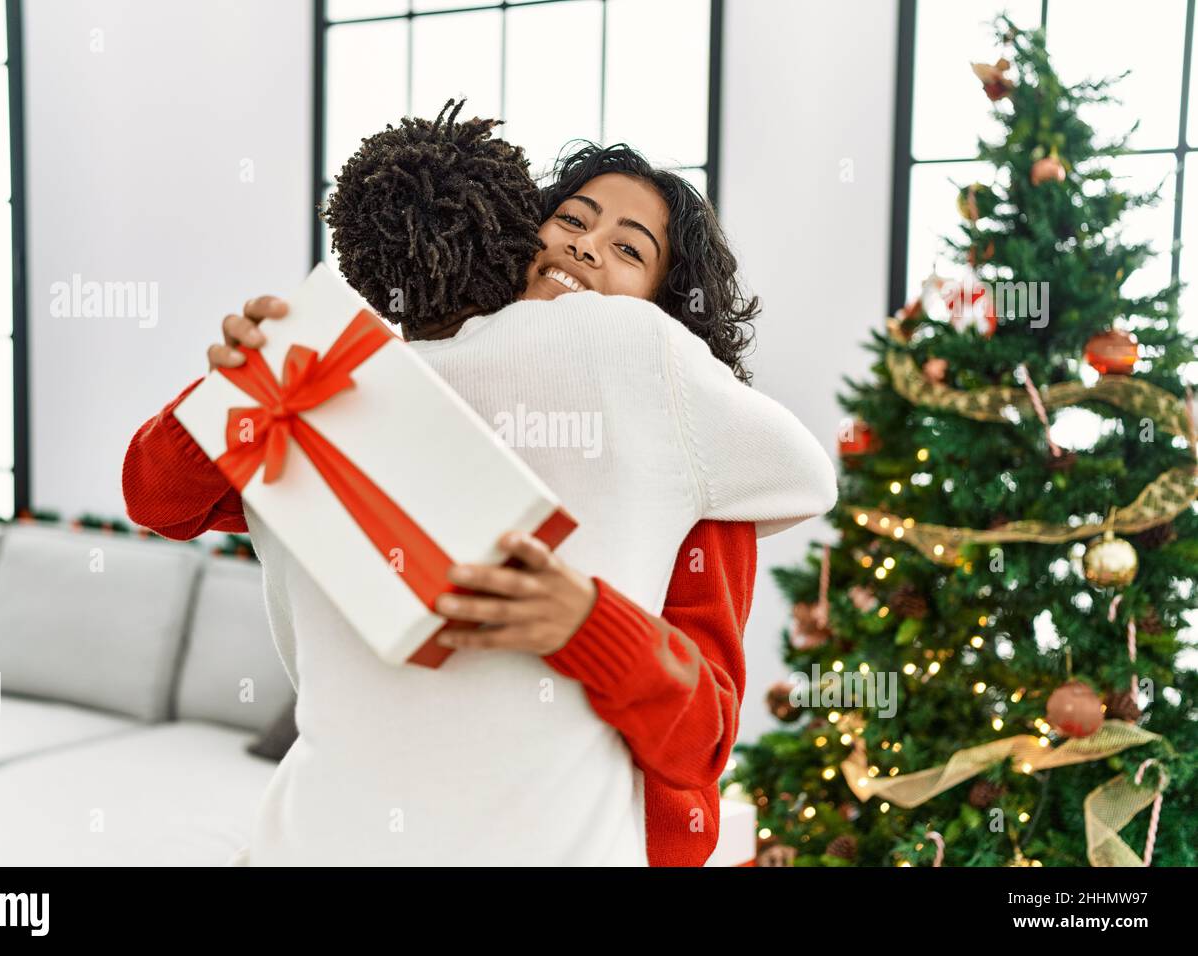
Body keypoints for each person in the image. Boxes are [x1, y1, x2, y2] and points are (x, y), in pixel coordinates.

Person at [123, 100, 836, 865]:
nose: (586, 247)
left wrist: (587, 625)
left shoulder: (687, 436)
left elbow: (702, 737)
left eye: (629, 249)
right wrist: (242, 378)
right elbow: (160, 498)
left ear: (665, 311)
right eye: (571, 219)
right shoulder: (388, 387)